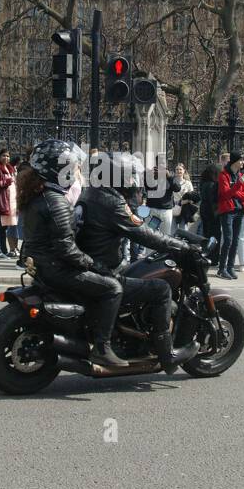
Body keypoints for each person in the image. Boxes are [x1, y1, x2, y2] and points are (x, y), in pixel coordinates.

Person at [75, 151, 202, 373]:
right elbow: (143, 233)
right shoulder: (112, 202)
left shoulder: (89, 193)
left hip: (93, 263)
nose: (131, 180)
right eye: (126, 176)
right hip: (104, 269)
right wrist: (182, 246)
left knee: (137, 272)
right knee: (161, 289)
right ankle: (167, 355)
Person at [20, 139, 128, 370]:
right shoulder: (56, 202)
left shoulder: (38, 195)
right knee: (112, 287)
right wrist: (94, 264)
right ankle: (102, 348)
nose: (78, 172)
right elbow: (66, 249)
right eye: (75, 167)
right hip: (58, 269)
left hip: (42, 266)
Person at [215, 151, 244, 280]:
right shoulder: (224, 175)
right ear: (235, 161)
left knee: (235, 240)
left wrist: (235, 191)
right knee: (228, 239)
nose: (243, 162)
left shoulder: (240, 175)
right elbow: (224, 194)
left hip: (239, 210)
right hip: (228, 211)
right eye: (241, 160)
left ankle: (230, 267)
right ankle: (221, 268)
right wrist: (237, 186)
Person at [144, 155, 180, 238]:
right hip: (153, 210)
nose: (161, 165)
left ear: (166, 164)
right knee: (151, 235)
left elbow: (177, 188)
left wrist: (169, 177)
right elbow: (146, 188)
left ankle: (164, 251)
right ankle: (150, 251)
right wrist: (152, 177)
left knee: (165, 236)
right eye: (159, 163)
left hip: (166, 211)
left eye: (163, 163)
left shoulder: (171, 175)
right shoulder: (150, 172)